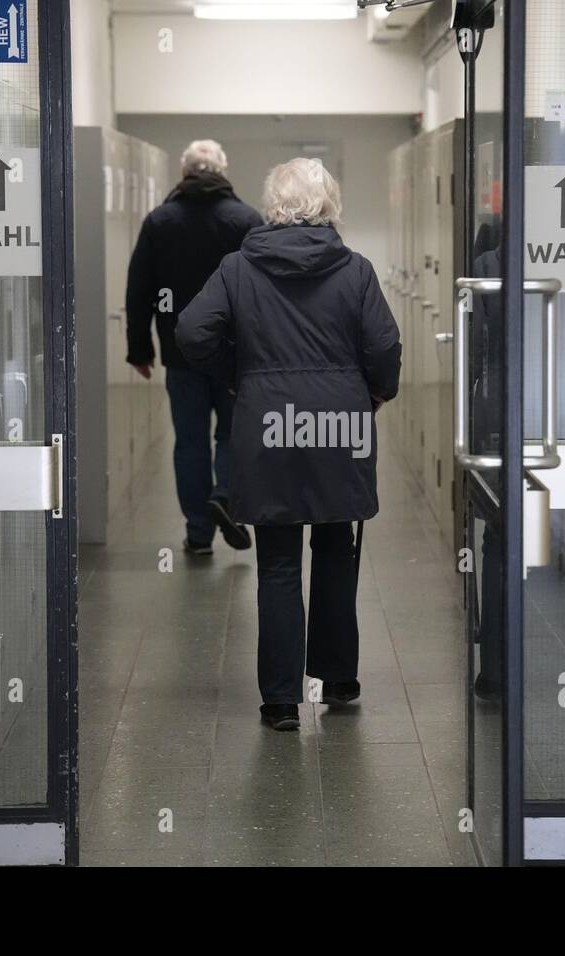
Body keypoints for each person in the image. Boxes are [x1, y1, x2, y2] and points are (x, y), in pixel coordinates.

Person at [177, 158, 402, 731]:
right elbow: (383, 346)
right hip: (338, 428)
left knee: (277, 563)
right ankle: (337, 677)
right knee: (334, 551)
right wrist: (374, 392)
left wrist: (240, 375)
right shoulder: (355, 271)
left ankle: (280, 700)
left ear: (274, 205)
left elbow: (191, 332)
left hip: (268, 425)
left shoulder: (237, 269)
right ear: (329, 205)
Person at [125, 139, 262, 555]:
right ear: (222, 171)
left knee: (189, 441)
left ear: (184, 173)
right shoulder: (246, 219)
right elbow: (262, 289)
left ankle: (198, 533)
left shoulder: (159, 221)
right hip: (234, 354)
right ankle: (225, 497)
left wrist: (140, 349)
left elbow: (139, 289)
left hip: (180, 352)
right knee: (234, 434)